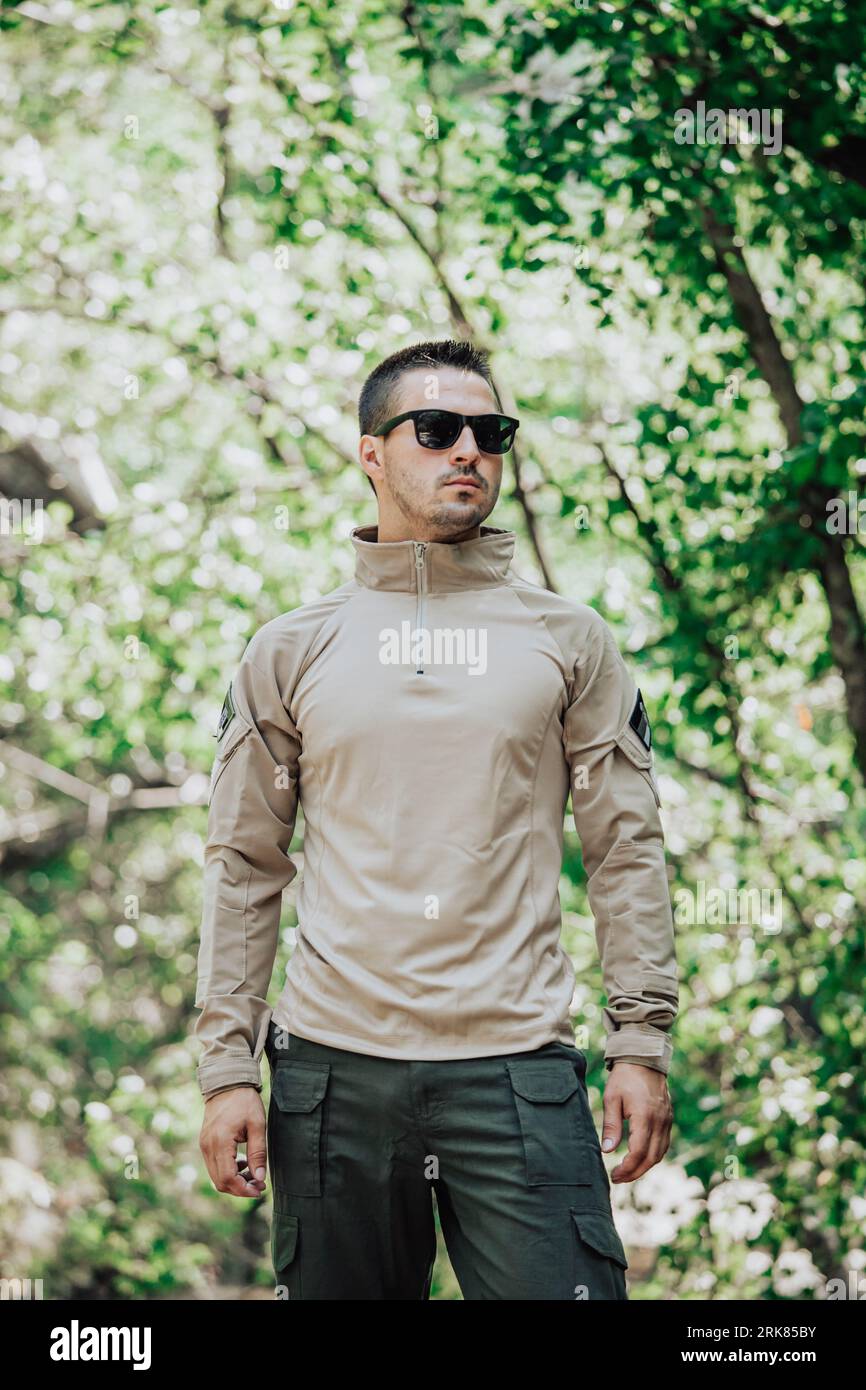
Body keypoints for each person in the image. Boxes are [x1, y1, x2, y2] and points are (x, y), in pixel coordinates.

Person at [195, 338, 678, 1300]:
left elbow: (625, 849)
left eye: (490, 432)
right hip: (331, 1078)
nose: (469, 450)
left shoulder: (569, 640)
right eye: (437, 429)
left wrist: (641, 1043)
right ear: (371, 453)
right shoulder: (289, 650)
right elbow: (245, 865)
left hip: (519, 1073)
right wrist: (225, 1072)